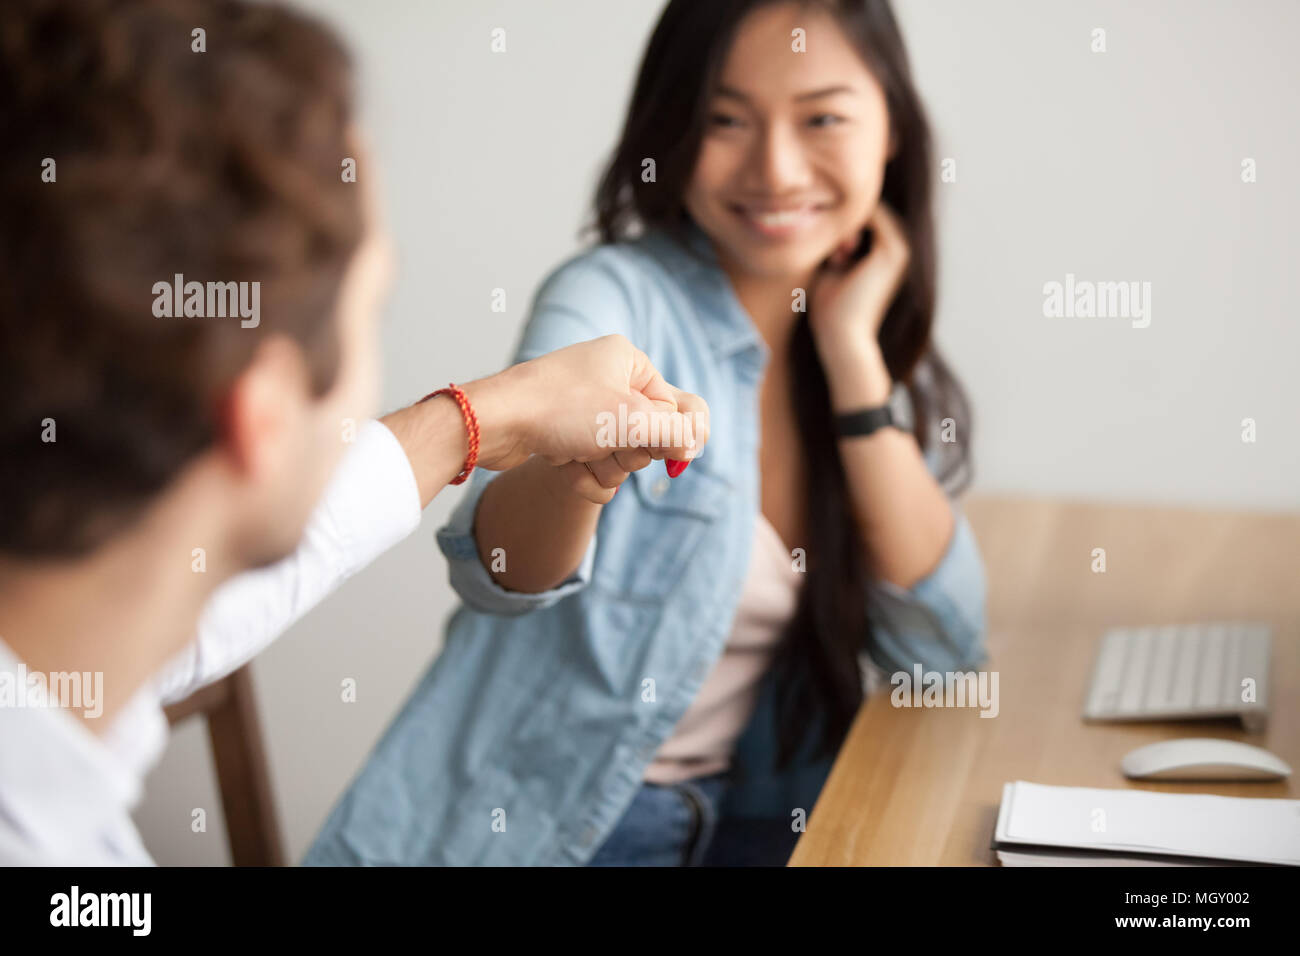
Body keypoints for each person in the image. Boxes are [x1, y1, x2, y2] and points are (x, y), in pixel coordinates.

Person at [0, 0, 706, 865]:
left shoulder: (68, 653)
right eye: (371, 309)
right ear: (262, 415)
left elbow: (195, 595)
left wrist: (492, 414)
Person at [307, 0, 985, 867]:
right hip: (555, 829)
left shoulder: (866, 334)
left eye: (822, 118)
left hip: (763, 823)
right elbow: (500, 572)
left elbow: (944, 647)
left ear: (892, 130)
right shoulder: (609, 298)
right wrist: (578, 477)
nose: (775, 168)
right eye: (723, 119)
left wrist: (853, 361)